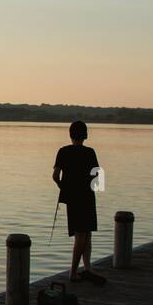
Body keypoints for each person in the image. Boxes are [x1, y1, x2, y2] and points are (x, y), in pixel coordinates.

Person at [52, 120, 106, 285]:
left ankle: (87, 269)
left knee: (83, 233)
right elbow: (98, 176)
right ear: (85, 135)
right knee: (84, 234)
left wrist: (64, 187)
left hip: (72, 197)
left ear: (70, 134)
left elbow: (55, 176)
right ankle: (74, 272)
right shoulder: (90, 152)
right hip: (87, 197)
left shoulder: (63, 151)